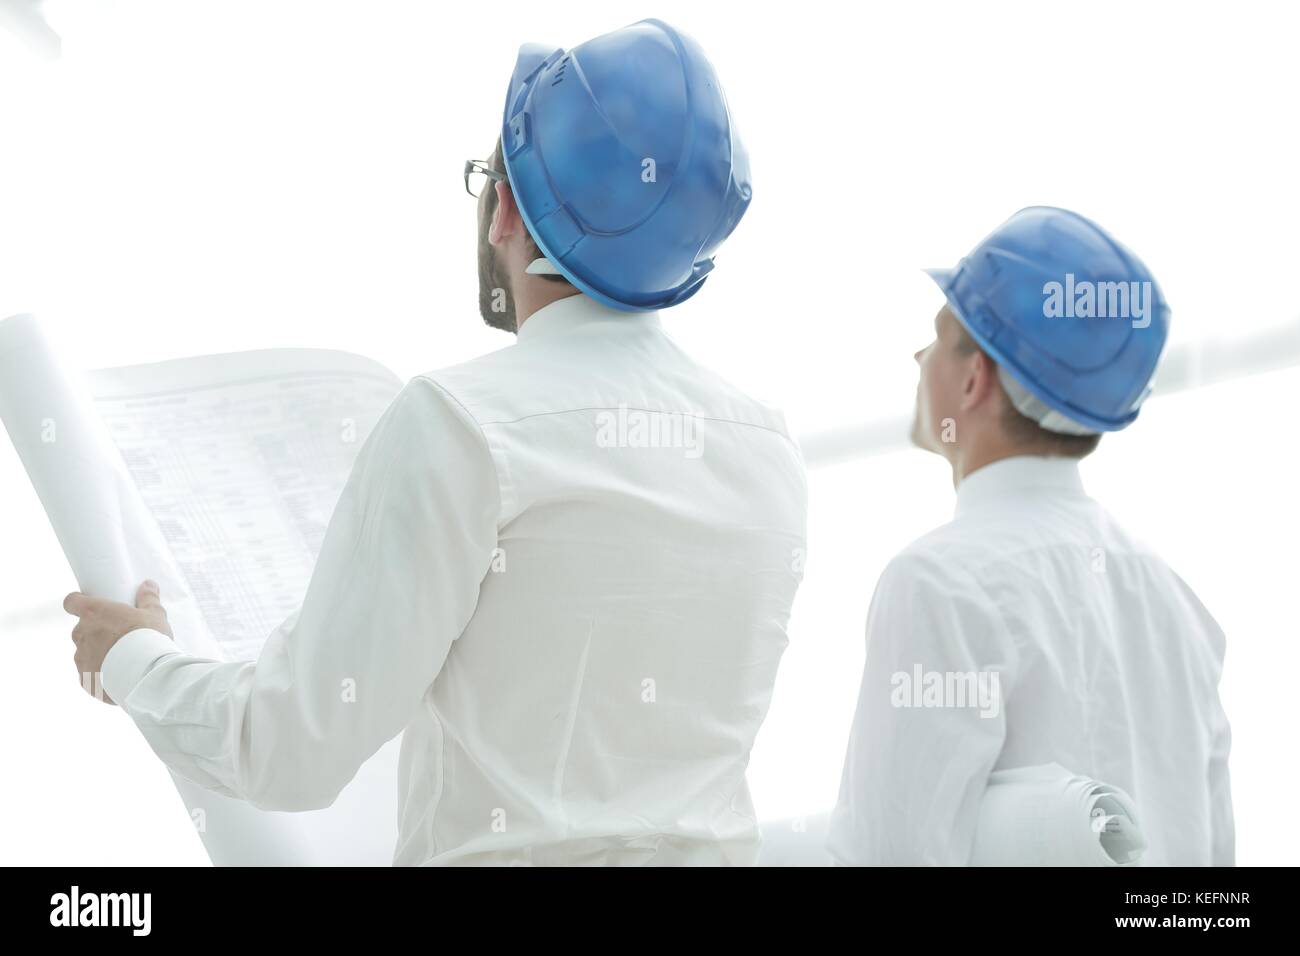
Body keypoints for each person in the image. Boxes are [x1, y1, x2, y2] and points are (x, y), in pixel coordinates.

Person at [64, 19, 807, 866]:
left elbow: (287, 748)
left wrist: (133, 658)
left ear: (505, 215)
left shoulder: (462, 423)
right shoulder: (765, 449)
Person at [826, 207, 1234, 866]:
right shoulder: (1178, 603)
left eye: (937, 335)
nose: (918, 354)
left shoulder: (938, 583)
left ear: (973, 378)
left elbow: (890, 855)